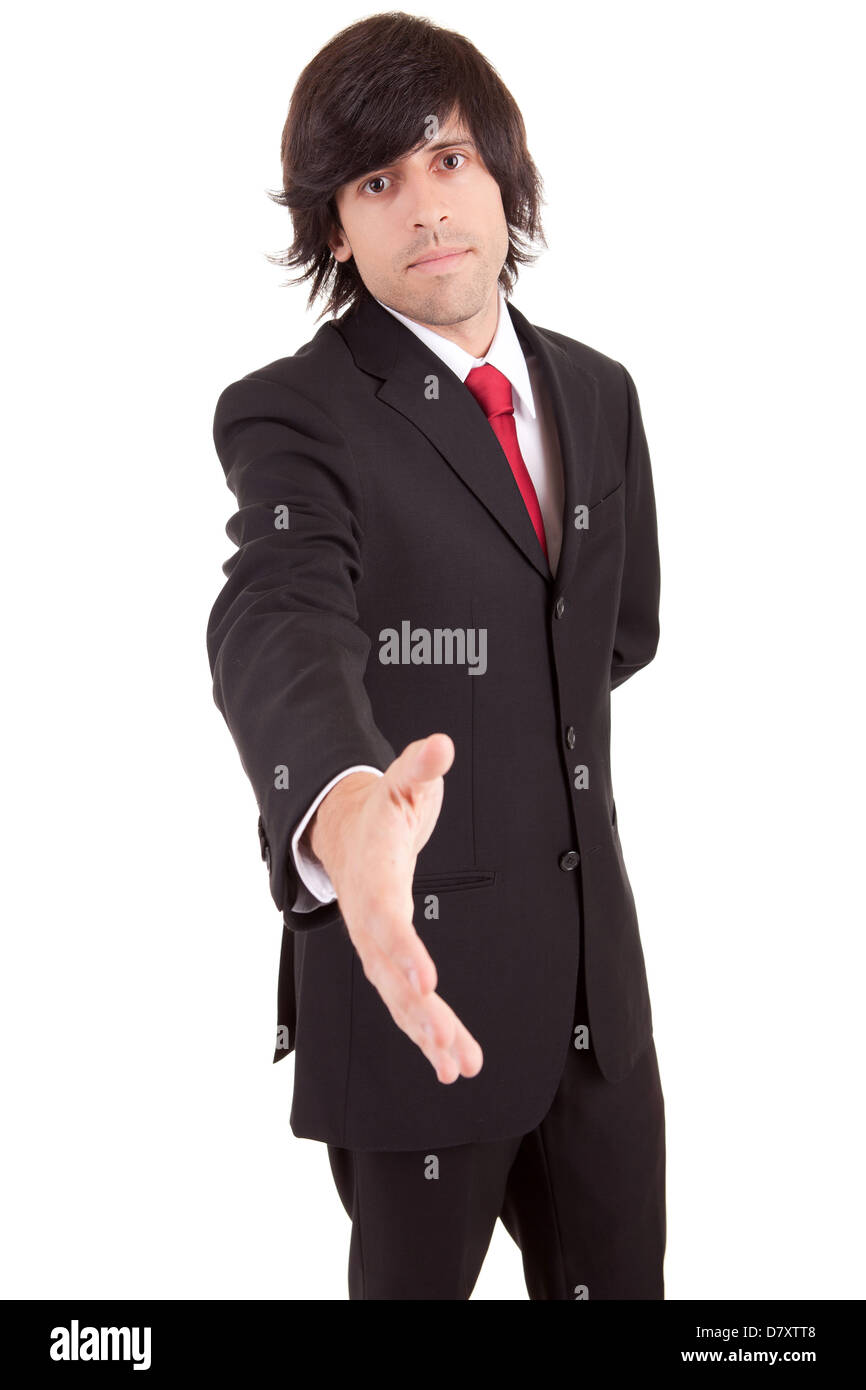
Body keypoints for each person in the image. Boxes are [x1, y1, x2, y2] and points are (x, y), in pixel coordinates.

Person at [206, 11, 665, 1300]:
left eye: (450, 159)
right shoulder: (297, 409)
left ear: (505, 177)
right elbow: (278, 611)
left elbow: (615, 633)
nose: (426, 205)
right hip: (418, 987)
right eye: (377, 179)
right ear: (335, 227)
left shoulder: (598, 392)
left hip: (596, 1002)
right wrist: (344, 803)